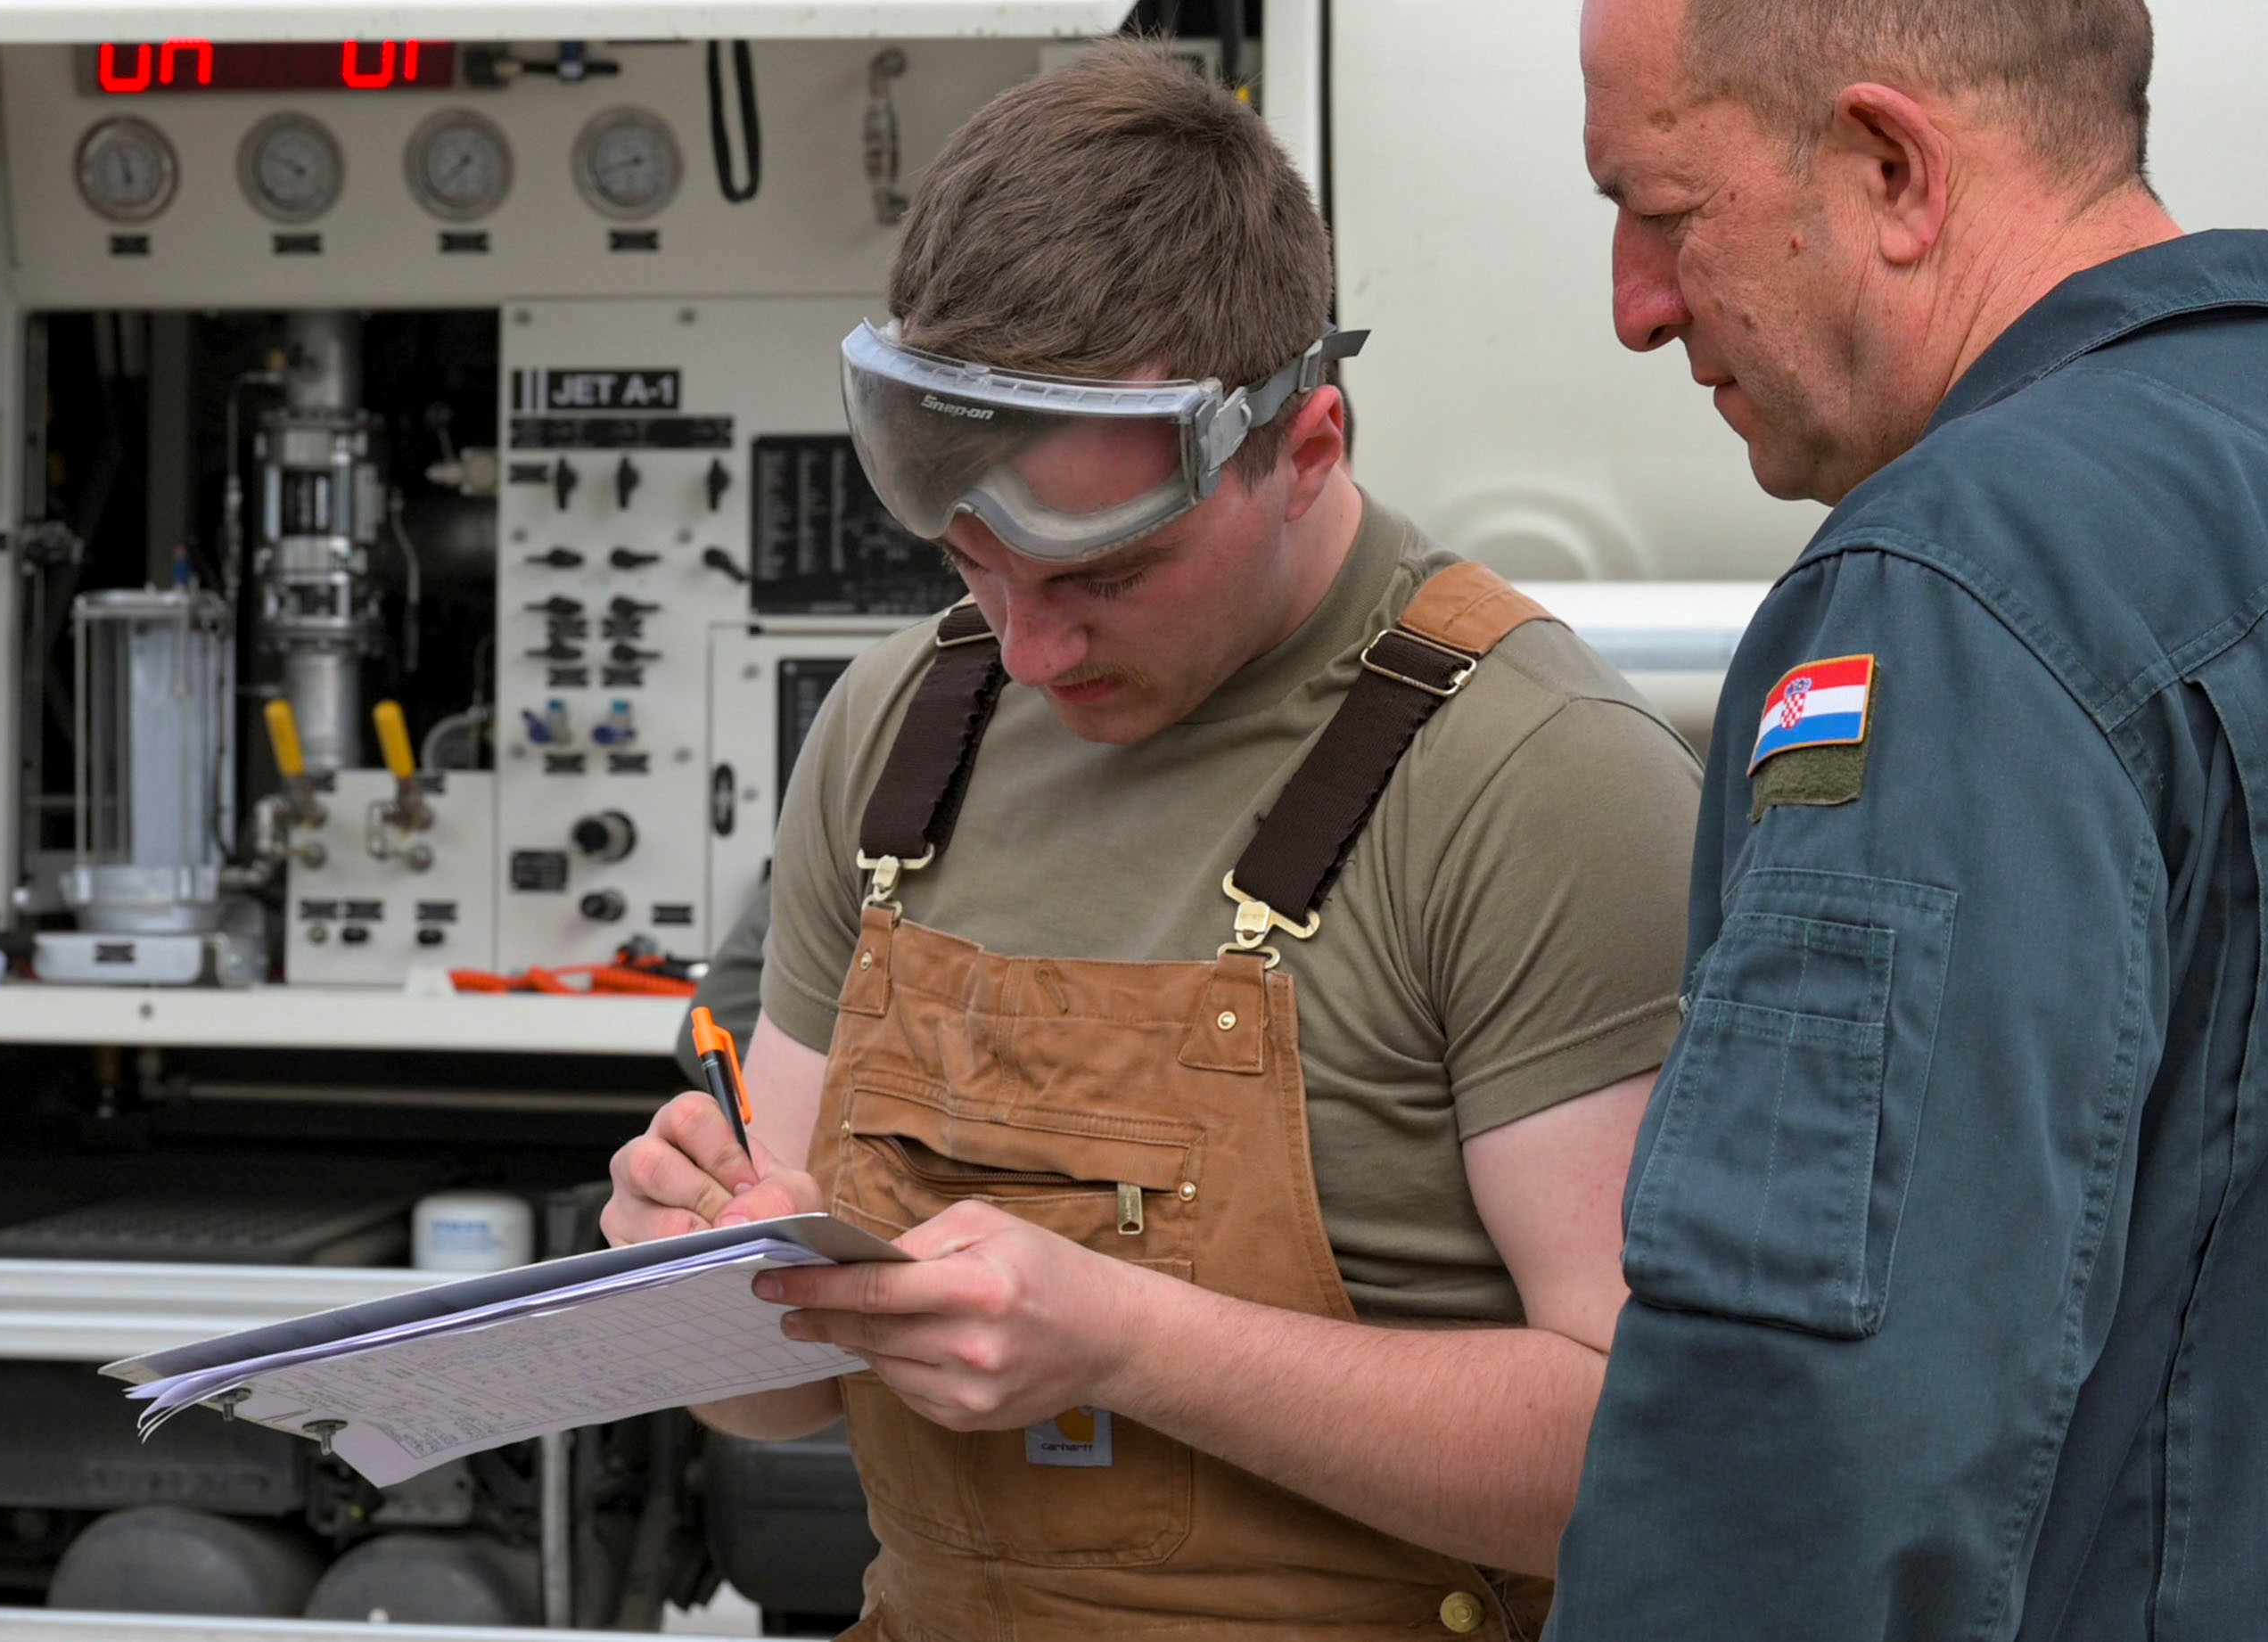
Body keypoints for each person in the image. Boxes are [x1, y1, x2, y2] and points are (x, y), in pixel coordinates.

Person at [604, 42, 1703, 1640]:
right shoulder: (897, 739)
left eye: (1106, 576)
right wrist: (695, 1277)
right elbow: (776, 1410)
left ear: (1304, 448)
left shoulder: (1533, 781)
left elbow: (1649, 1460)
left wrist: (1128, 1341)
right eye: (976, 560)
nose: (1028, 648)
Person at [1559, 2, 2268, 1637]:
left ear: (1894, 167)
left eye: (1663, 211)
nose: (1634, 305)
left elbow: (1813, 1413)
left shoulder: (1958, 585)